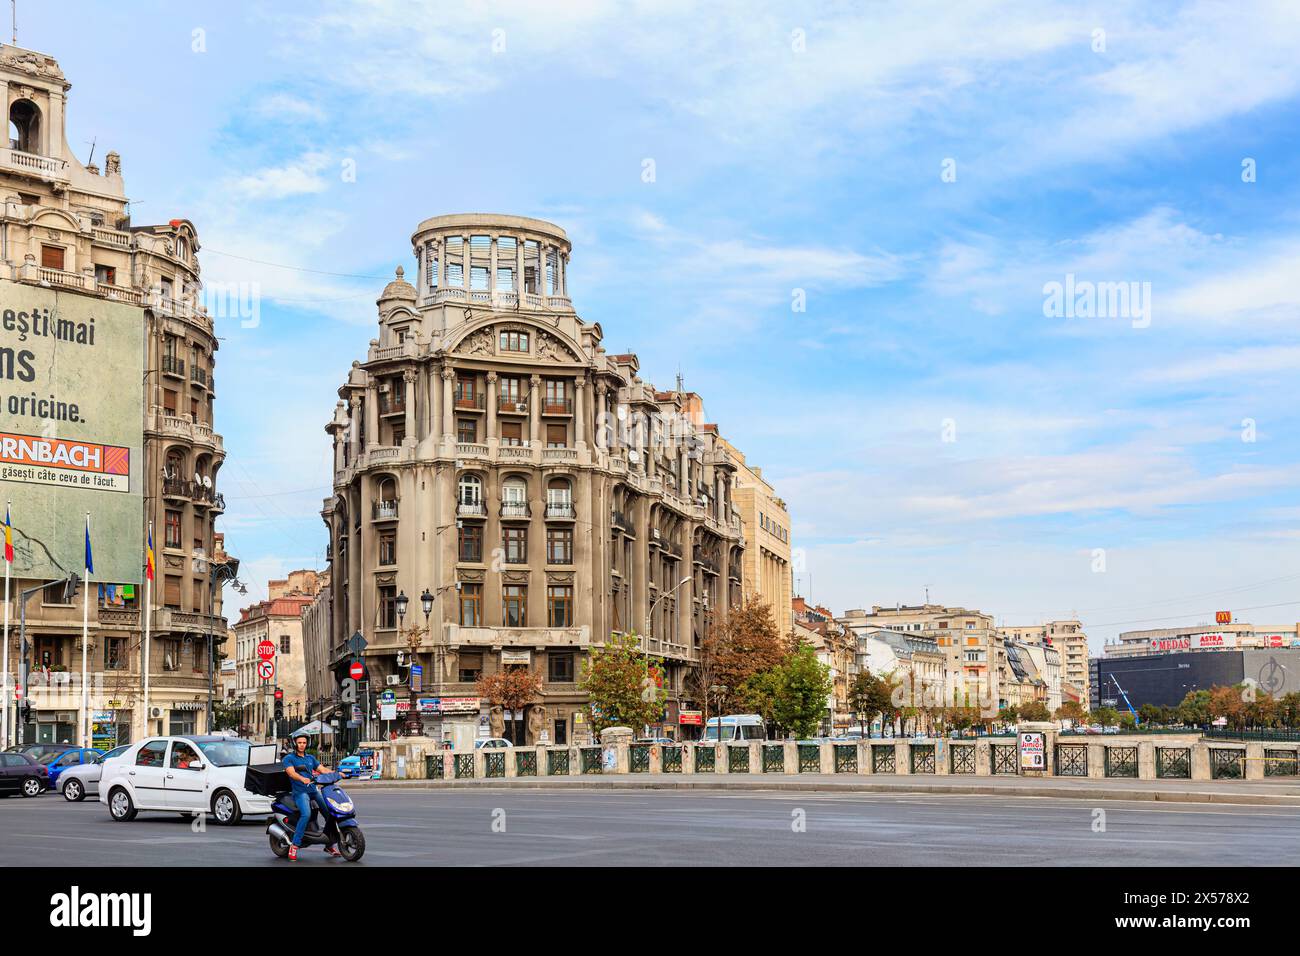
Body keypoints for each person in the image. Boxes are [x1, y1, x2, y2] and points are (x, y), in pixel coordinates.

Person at [281, 733, 340, 861]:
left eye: (304, 742)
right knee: (306, 814)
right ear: (295, 743)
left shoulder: (310, 758)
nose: (302, 745)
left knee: (330, 813)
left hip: (313, 790)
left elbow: (322, 769)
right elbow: (291, 773)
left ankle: (329, 844)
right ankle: (294, 845)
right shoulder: (289, 758)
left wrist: (336, 774)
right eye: (300, 742)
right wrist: (302, 778)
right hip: (300, 792)